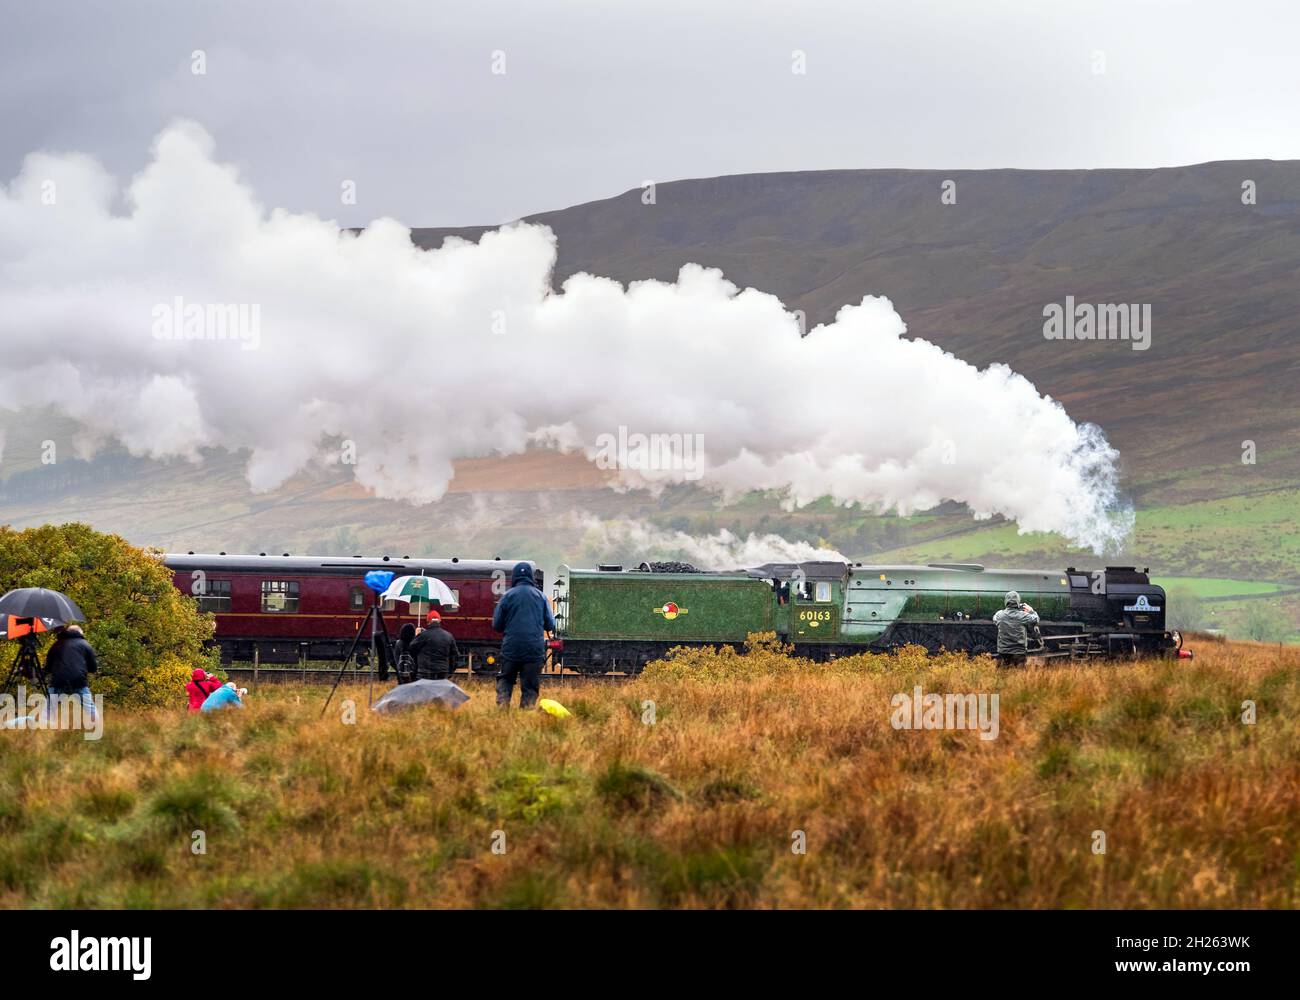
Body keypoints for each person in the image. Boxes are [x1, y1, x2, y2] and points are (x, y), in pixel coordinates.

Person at [491, 561, 556, 708]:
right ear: (530, 577)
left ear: (514, 576)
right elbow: (550, 624)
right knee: (530, 686)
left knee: (506, 679)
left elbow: (496, 625)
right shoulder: (541, 597)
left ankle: (502, 710)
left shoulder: (506, 597)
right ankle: (525, 714)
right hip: (534, 649)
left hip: (511, 647)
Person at [44, 624, 98, 722]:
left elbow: (48, 667)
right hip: (78, 680)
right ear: (80, 633)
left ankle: (43, 728)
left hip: (58, 680)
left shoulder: (56, 645)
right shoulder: (85, 644)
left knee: (49, 708)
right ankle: (97, 726)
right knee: (90, 708)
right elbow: (93, 668)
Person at [407, 609, 459, 680]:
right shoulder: (449, 636)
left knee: (425, 691)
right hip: (442, 674)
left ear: (428, 622)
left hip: (425, 674)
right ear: (440, 621)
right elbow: (455, 656)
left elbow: (411, 649)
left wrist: (416, 636)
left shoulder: (423, 635)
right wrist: (449, 672)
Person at [992, 590, 1039, 667]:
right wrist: (1031, 610)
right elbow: (1036, 619)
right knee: (1018, 676)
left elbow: (995, 619)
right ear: (1018, 601)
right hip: (1019, 653)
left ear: (1006, 601)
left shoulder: (999, 614)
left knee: (1003, 675)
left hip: (1003, 652)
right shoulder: (1023, 616)